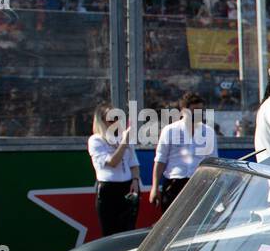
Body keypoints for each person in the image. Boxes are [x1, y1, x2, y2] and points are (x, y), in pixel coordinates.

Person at [152, 92, 217, 212]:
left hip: (199, 183)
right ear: (183, 111)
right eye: (194, 110)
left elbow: (213, 162)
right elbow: (160, 160)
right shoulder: (169, 130)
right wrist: (154, 187)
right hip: (174, 183)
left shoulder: (208, 132)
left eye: (200, 110)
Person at [88, 102, 141, 237]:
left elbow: (133, 163)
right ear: (102, 121)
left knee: (128, 228)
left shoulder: (122, 137)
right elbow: (113, 162)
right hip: (109, 189)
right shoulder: (96, 140)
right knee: (110, 230)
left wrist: (135, 180)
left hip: (127, 186)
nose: (115, 123)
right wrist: (124, 142)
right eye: (111, 119)